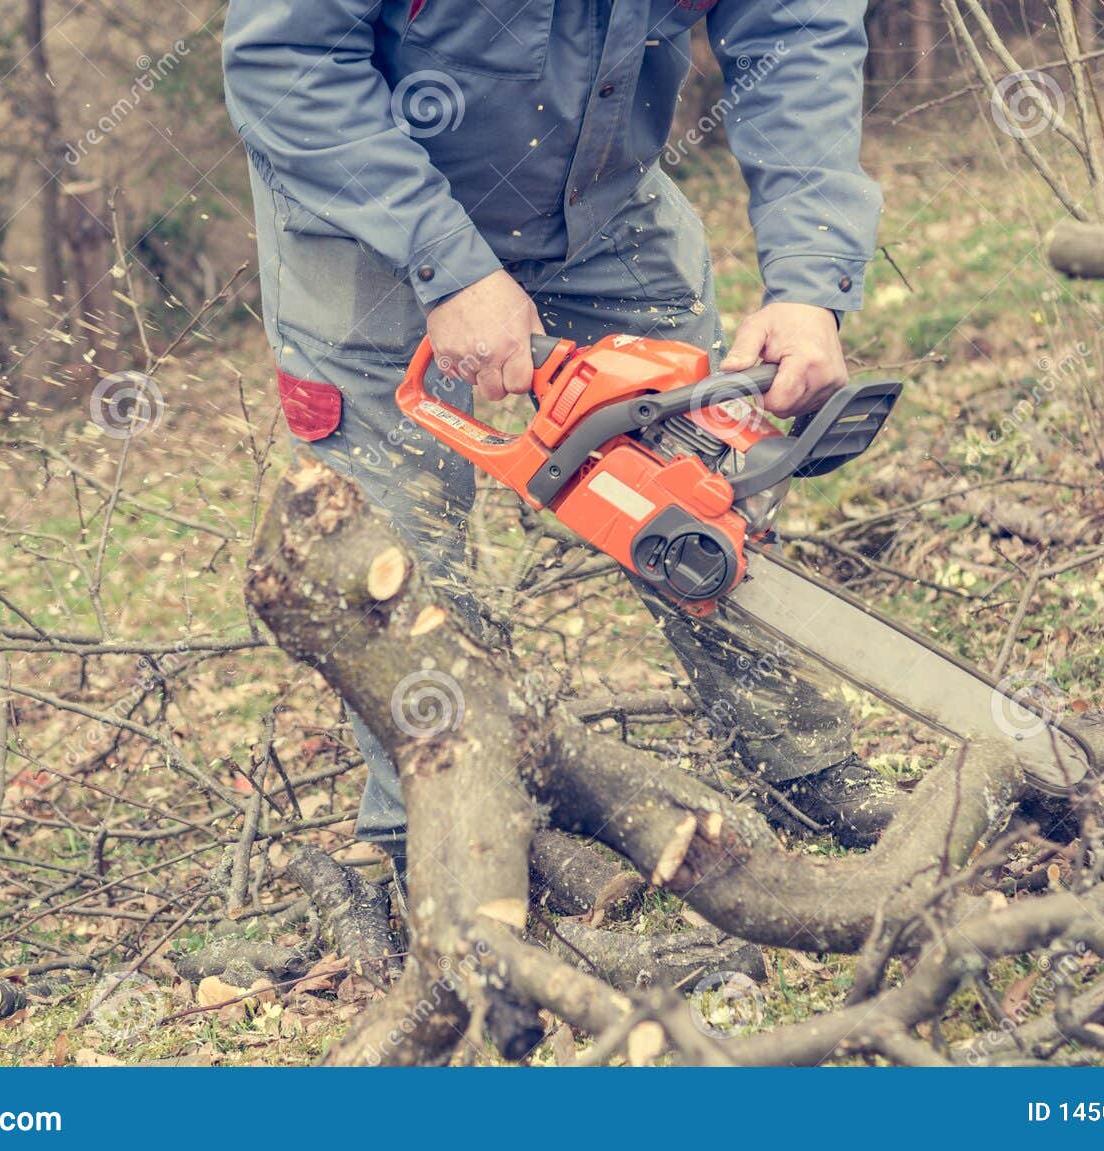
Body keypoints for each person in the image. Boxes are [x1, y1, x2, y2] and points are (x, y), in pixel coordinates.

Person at [223, 0, 885, 866]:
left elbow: (794, 29)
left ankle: (799, 757)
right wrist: (448, 263)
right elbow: (286, 59)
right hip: (370, 222)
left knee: (708, 478)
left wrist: (810, 277)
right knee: (400, 559)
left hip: (599, 200)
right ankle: (434, 833)